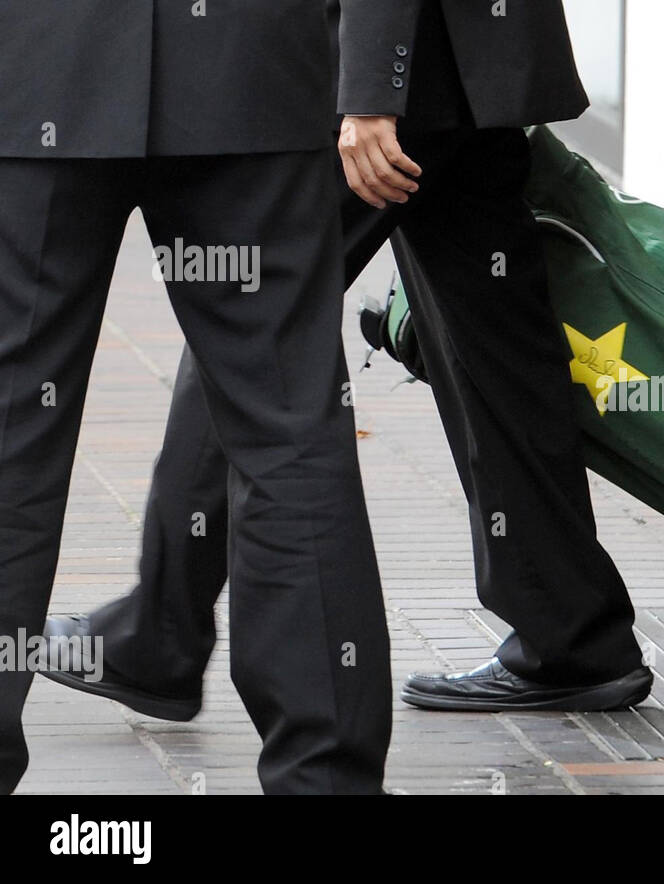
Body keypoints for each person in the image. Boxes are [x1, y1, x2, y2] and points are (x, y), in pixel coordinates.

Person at [42, 0, 653, 723]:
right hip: (468, 62)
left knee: (251, 323)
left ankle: (156, 632)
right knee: (498, 348)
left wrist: (370, 91)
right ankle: (573, 632)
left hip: (397, 73)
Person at [0, 0, 391, 794]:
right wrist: (374, 81)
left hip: (41, 65)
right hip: (251, 71)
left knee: (9, 434)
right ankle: (325, 778)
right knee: (289, 428)